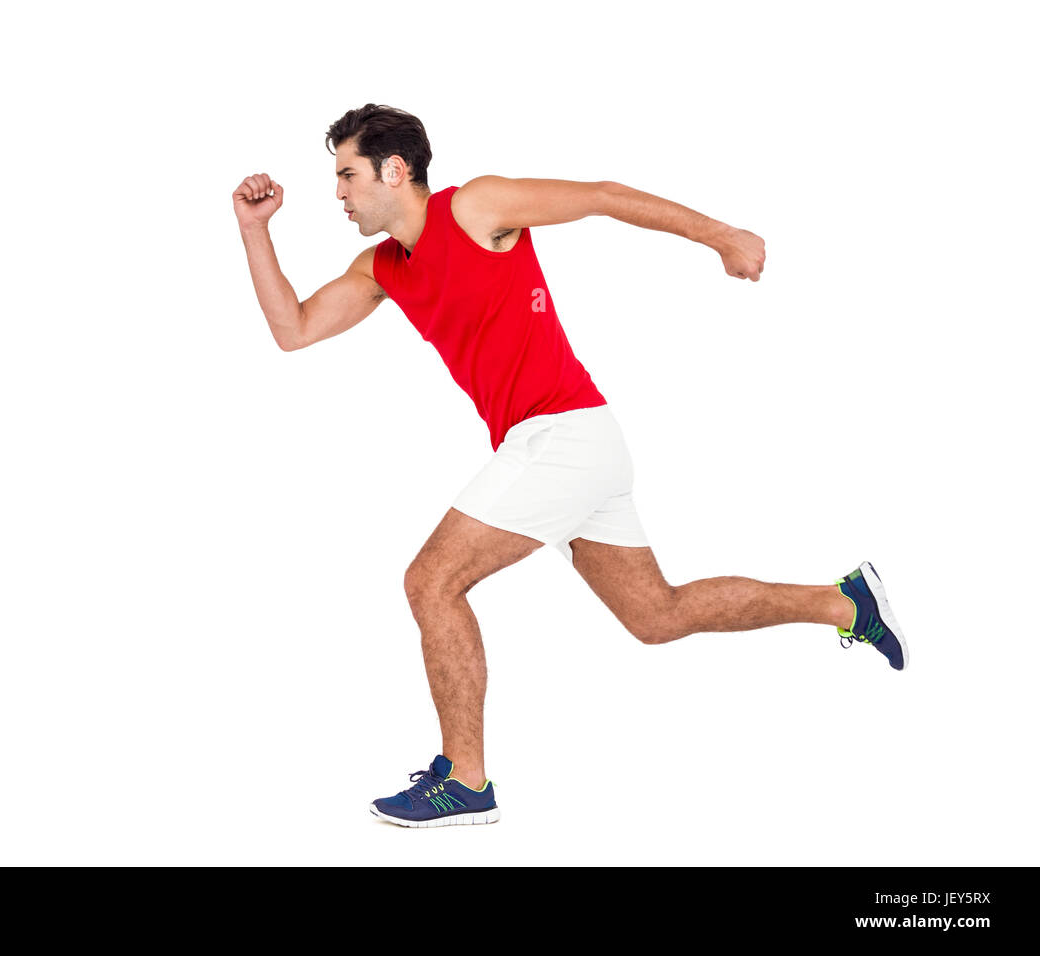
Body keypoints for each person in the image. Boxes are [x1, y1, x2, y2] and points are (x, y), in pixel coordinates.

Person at [233, 103, 908, 829]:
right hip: (570, 446)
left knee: (432, 581)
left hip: (561, 436)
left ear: (395, 171)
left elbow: (601, 196)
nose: (338, 193)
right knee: (657, 615)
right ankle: (846, 602)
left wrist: (721, 236)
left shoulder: (477, 206)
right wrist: (253, 230)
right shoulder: (382, 268)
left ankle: (466, 780)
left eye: (348, 175)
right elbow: (293, 330)